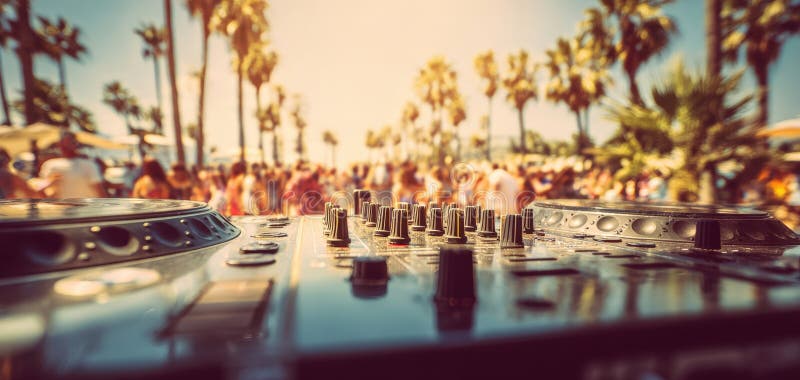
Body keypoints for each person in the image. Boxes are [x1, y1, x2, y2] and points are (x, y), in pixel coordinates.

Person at [39, 131, 107, 198]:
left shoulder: (89, 165)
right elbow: (44, 191)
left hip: (86, 207)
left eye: (70, 142)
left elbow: (99, 191)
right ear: (59, 144)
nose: (66, 145)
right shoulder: (50, 165)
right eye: (64, 143)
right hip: (63, 208)